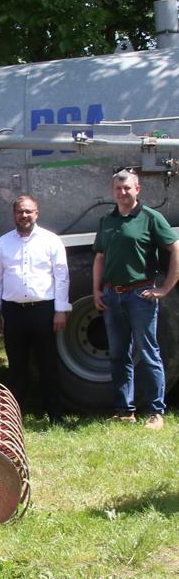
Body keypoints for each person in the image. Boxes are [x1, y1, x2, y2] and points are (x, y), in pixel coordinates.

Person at [92, 170, 178, 429]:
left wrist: (164, 289)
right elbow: (99, 258)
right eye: (118, 189)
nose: (122, 193)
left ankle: (156, 412)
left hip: (140, 296)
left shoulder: (151, 218)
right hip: (111, 296)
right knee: (118, 354)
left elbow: (175, 249)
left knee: (148, 352)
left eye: (127, 188)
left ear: (137, 189)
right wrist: (96, 290)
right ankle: (124, 410)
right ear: (113, 191)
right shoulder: (107, 220)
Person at [0, 196, 70, 423]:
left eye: (28, 212)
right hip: (13, 312)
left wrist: (61, 310)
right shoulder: (3, 243)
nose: (24, 216)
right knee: (16, 366)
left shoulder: (51, 241)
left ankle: (56, 415)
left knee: (48, 365)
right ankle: (15, 418)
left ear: (37, 214)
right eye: (20, 212)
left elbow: (61, 277)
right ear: (14, 215)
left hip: (43, 310)